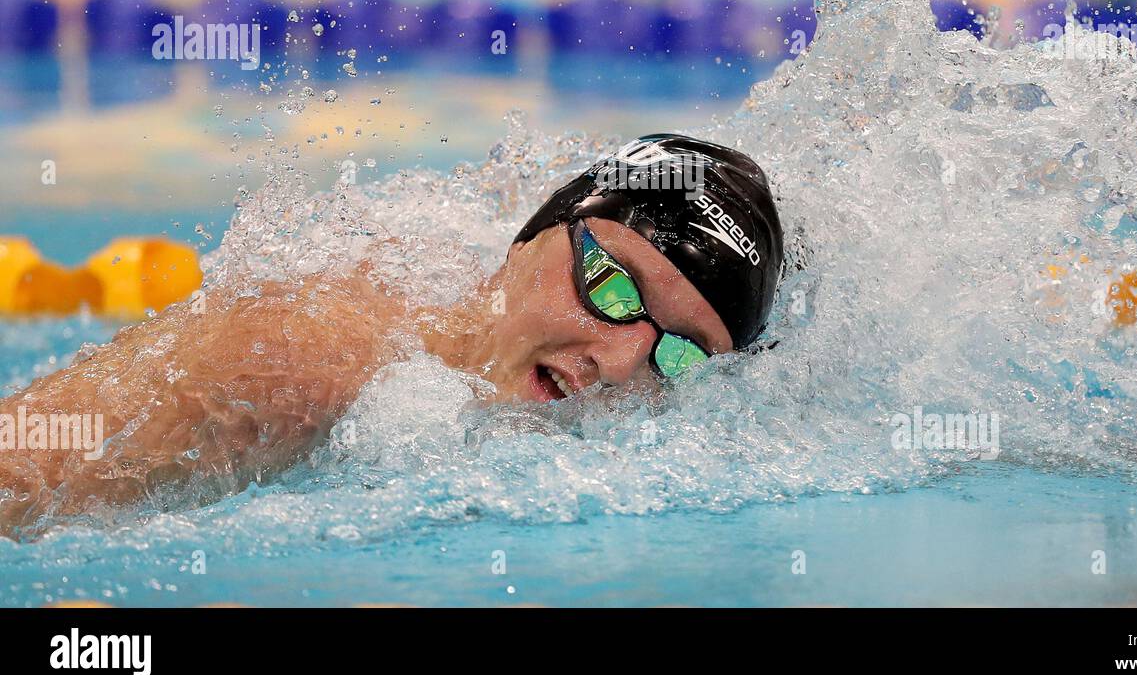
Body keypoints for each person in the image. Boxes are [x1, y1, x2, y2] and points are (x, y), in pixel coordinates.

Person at [0, 134, 783, 534]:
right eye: (610, 287)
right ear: (535, 234)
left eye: (678, 354)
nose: (617, 363)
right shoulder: (310, 364)